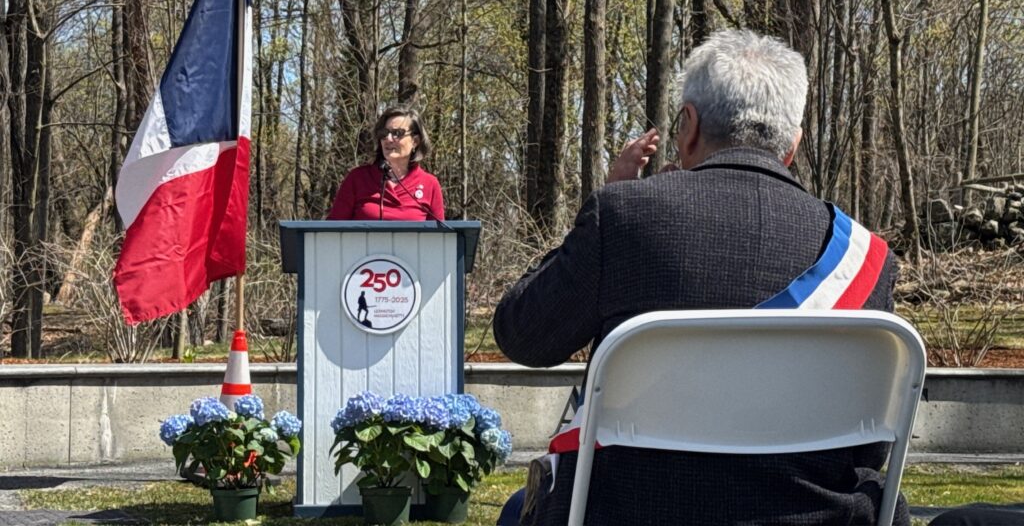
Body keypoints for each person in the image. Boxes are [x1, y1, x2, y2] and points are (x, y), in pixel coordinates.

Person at [494, 28, 905, 526]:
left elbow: (523, 337)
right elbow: (870, 446)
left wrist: (600, 208)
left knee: (523, 506)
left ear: (687, 125)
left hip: (633, 513)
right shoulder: (868, 258)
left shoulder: (622, 217)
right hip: (817, 518)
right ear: (793, 145)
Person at [327, 106, 445, 221]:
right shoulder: (357, 179)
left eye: (397, 133)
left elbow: (439, 238)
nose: (388, 139)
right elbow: (332, 232)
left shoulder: (430, 184)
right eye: (384, 133)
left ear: (415, 141)